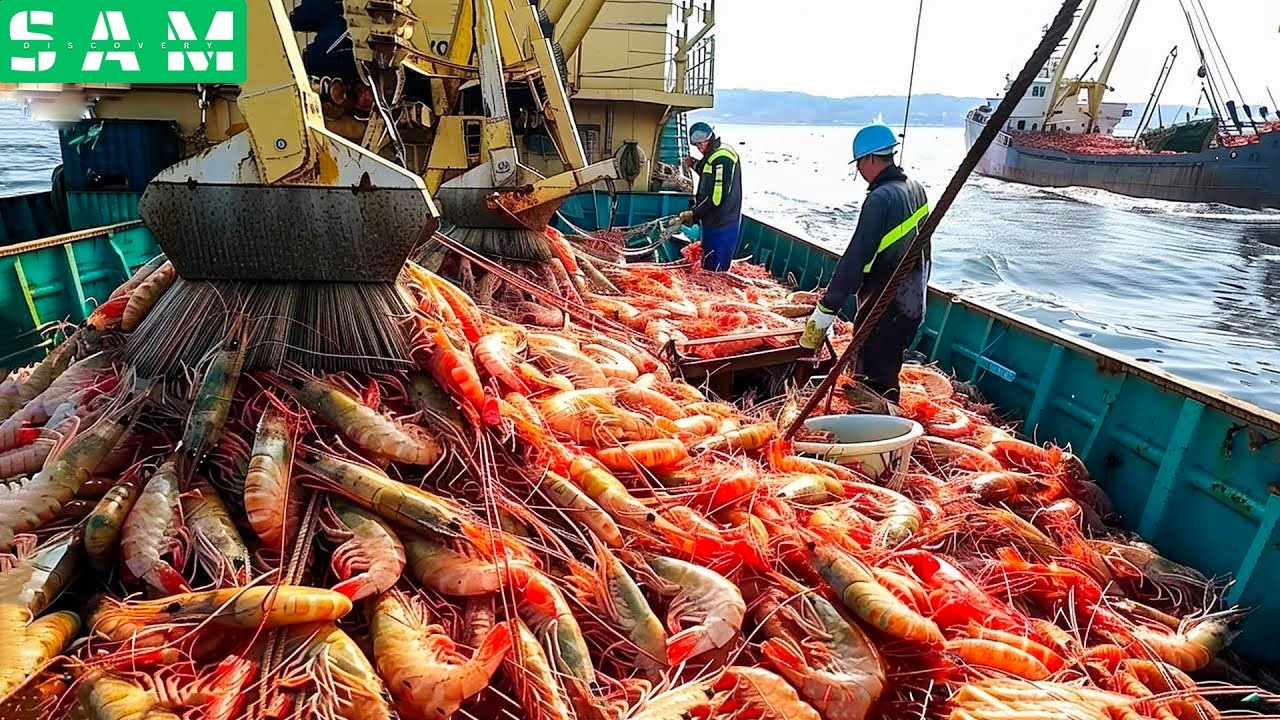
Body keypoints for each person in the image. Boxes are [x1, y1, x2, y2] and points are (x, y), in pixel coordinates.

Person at [799, 124, 931, 400]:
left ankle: (881, 433)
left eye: (858, 164)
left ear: (870, 158)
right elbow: (925, 249)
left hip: (886, 308)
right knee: (887, 369)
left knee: (873, 383)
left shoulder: (880, 199)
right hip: (913, 302)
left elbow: (855, 260)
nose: (859, 171)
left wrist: (825, 311)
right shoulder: (916, 189)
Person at [678, 122, 743, 272]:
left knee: (716, 270)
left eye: (702, 143)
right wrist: (694, 164)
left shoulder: (723, 157)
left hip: (722, 223)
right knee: (708, 264)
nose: (699, 147)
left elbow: (717, 198)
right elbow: (708, 174)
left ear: (711, 137)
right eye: (696, 145)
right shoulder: (712, 156)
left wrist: (694, 213)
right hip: (710, 222)